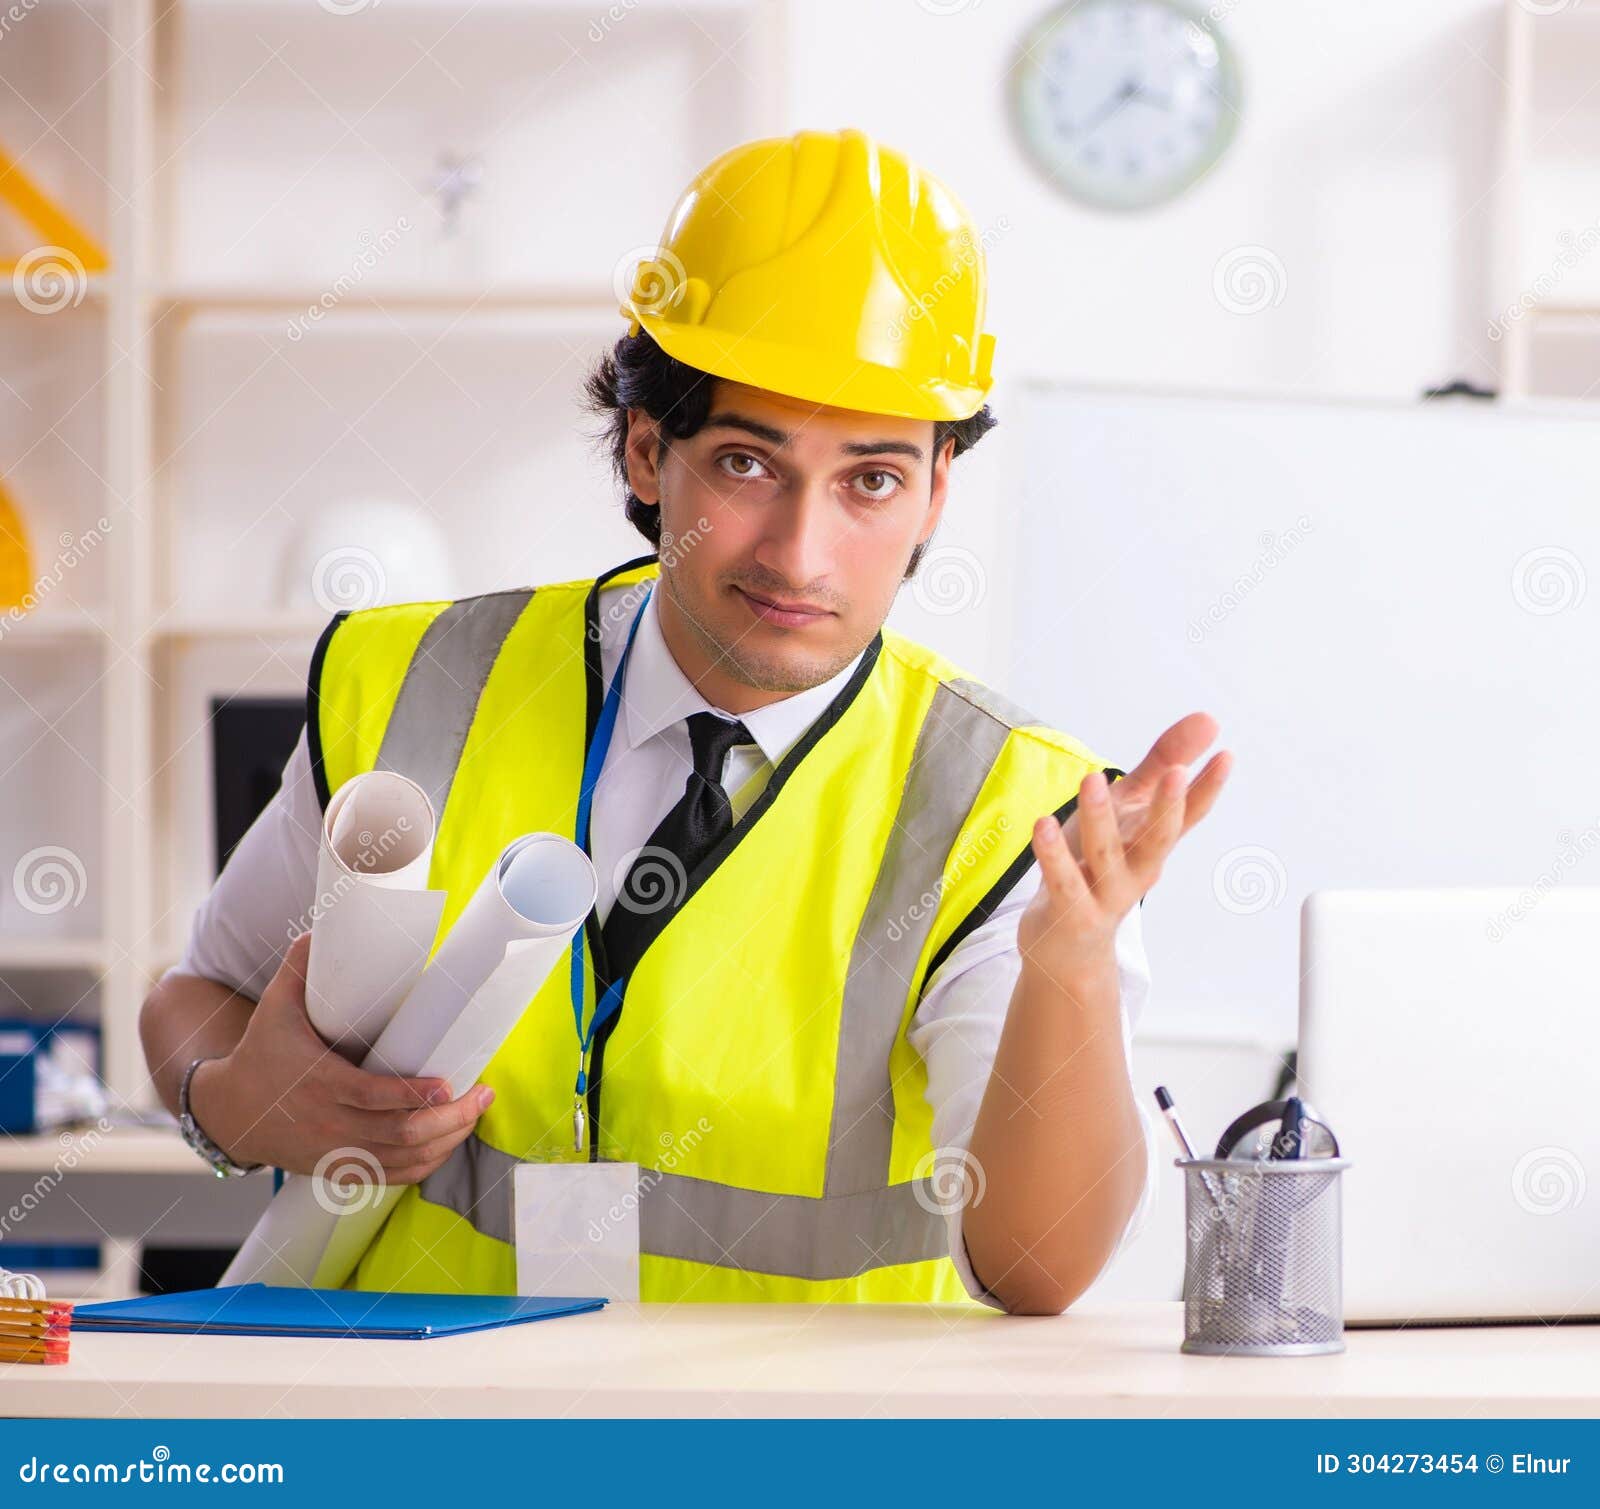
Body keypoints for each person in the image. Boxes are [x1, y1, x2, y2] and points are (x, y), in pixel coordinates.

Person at [140, 128, 1229, 1312]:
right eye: (749, 466)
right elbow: (198, 996)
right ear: (649, 451)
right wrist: (228, 1099)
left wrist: (1067, 975)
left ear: (934, 492)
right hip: (436, 1434)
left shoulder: (1010, 816)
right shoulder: (421, 682)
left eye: (871, 480)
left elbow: (1039, 1268)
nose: (800, 554)